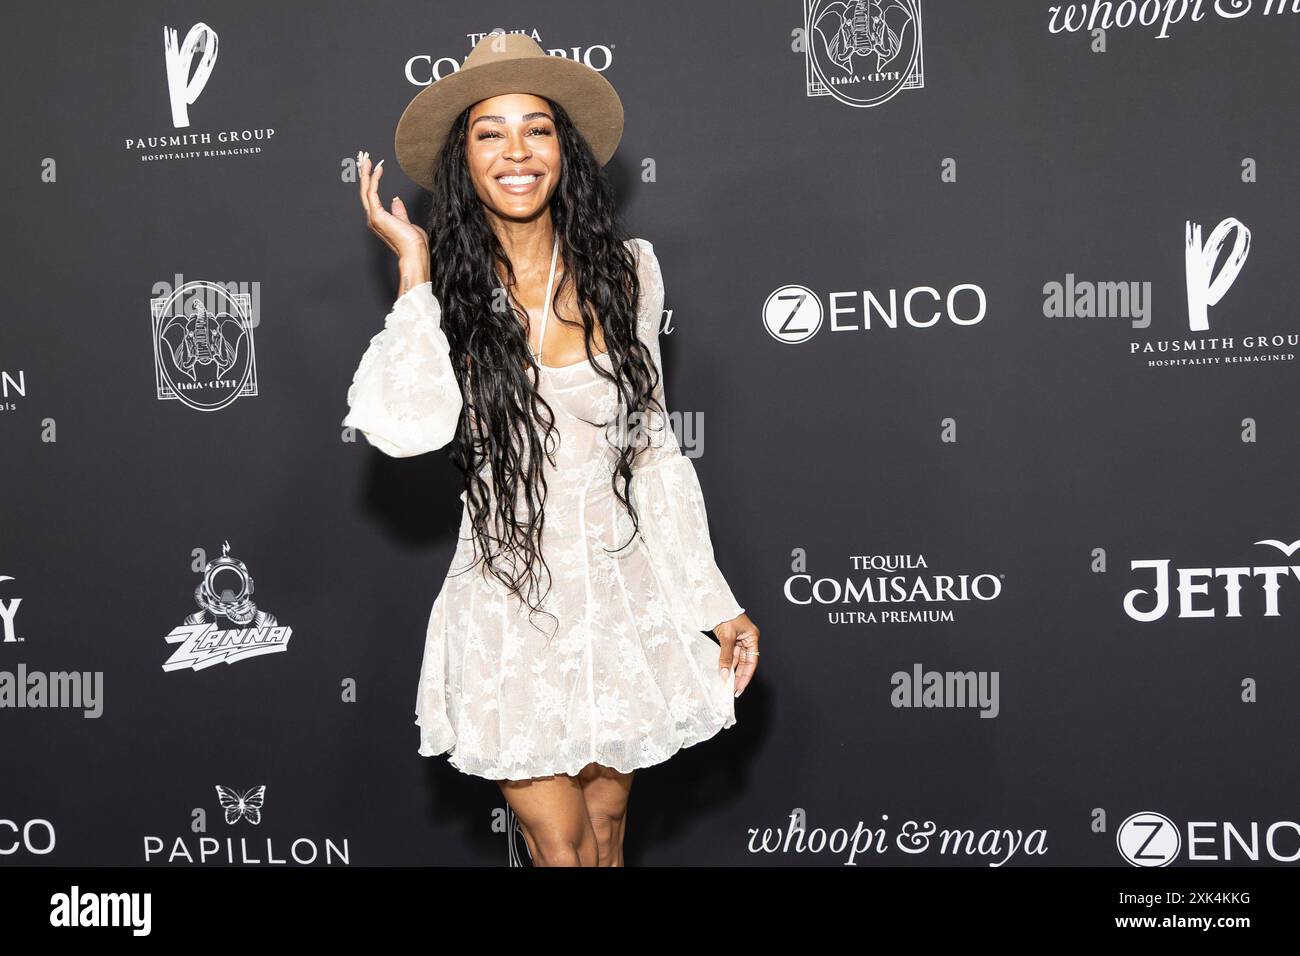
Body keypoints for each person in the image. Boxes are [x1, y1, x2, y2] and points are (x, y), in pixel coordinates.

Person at [341, 33, 760, 867]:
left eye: (537, 128)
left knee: (605, 836)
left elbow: (653, 454)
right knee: (558, 845)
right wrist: (414, 273)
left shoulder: (629, 273)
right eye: (490, 132)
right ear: (464, 158)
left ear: (564, 150)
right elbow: (405, 428)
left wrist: (712, 603)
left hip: (621, 592)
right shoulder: (447, 295)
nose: (517, 152)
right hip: (510, 599)